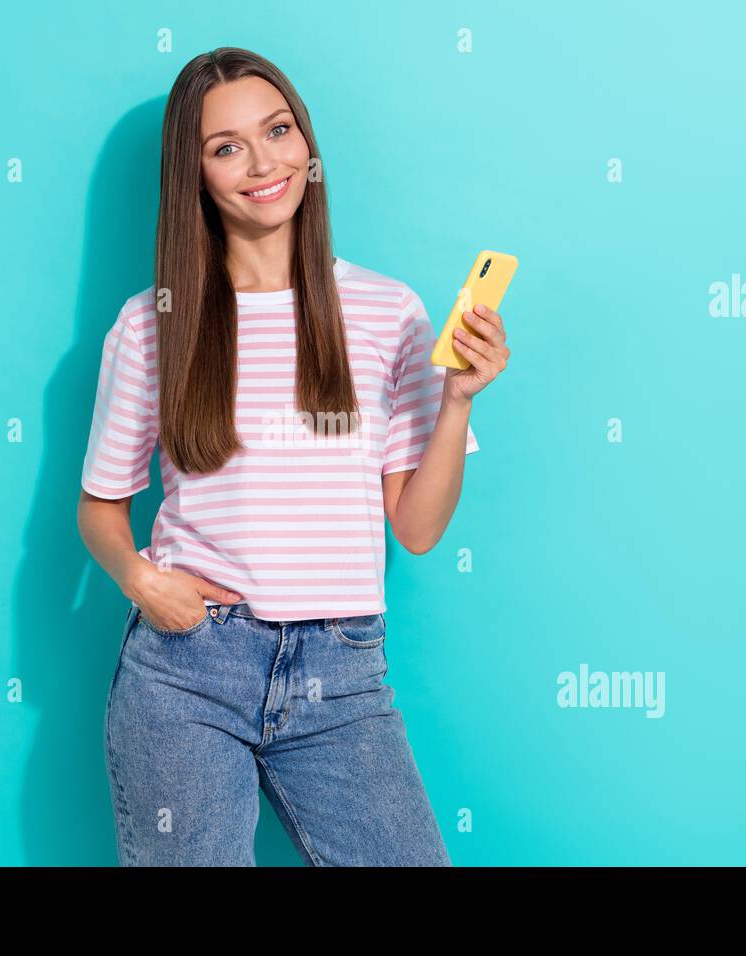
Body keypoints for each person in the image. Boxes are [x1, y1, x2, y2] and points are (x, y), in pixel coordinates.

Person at [76, 47, 510, 866]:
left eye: (278, 131)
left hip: (342, 675)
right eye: (226, 146)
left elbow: (416, 528)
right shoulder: (152, 324)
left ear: (308, 147)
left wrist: (457, 401)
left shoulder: (391, 313)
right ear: (194, 175)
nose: (262, 161)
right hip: (188, 668)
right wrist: (143, 583)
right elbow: (99, 508)